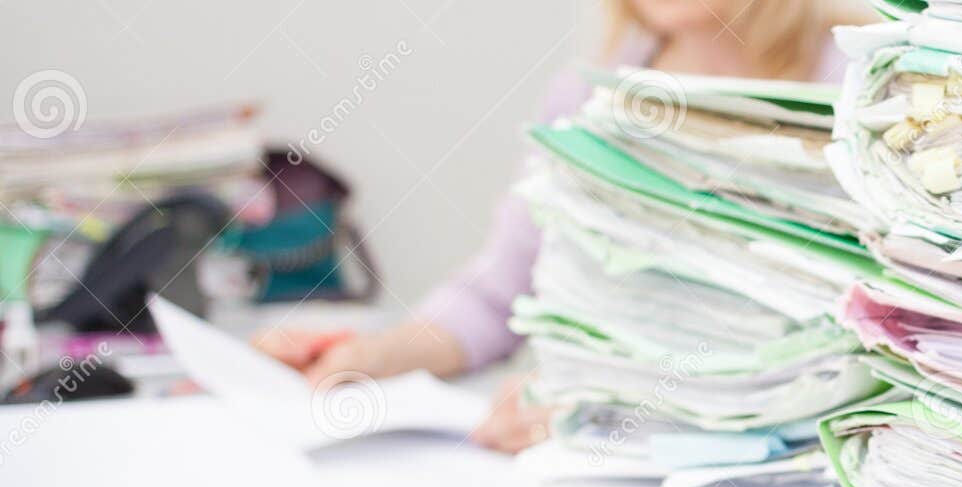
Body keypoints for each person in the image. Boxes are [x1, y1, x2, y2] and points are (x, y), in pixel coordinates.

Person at [254, 0, 869, 453]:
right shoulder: (587, 95)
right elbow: (497, 294)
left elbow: (876, 335)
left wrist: (614, 402)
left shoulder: (868, 77)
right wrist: (375, 355)